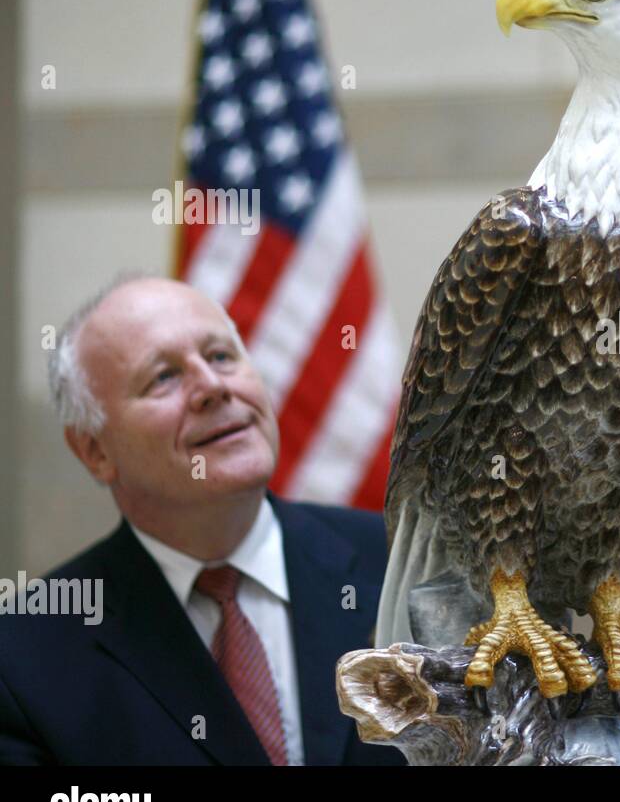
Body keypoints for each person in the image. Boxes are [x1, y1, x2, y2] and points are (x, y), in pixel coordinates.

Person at [0, 275, 403, 765]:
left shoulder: (398, 565)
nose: (213, 387)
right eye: (163, 377)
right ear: (94, 450)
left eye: (221, 357)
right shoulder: (24, 657)